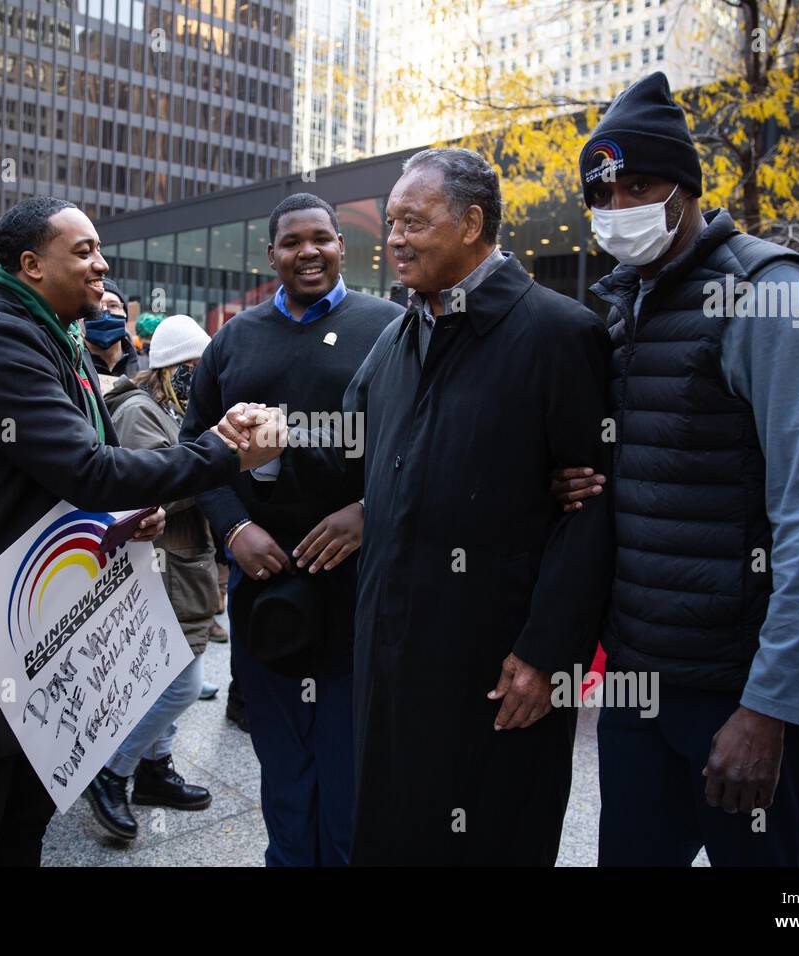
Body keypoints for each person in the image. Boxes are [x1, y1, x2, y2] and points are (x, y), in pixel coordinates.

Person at [0, 196, 281, 866]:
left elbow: (64, 475)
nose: (101, 264)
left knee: (21, 829)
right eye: (83, 251)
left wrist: (123, 520)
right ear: (30, 264)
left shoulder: (52, 337)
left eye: (99, 248)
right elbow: (84, 468)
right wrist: (221, 452)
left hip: (24, 636)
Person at [225, 153, 615, 865]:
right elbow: (363, 463)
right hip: (388, 656)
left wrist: (545, 655)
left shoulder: (558, 334)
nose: (395, 239)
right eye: (391, 223)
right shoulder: (401, 337)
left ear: (471, 224)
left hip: (497, 667)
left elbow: (590, 516)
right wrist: (272, 451)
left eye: (414, 222)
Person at [550, 73, 799, 866]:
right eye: (604, 193)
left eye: (640, 186)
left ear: (687, 189)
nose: (619, 208)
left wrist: (773, 706)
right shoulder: (624, 306)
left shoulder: (769, 295)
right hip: (637, 679)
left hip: (739, 691)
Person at [183, 192, 403, 866]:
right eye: (292, 242)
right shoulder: (234, 338)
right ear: (270, 253)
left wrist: (372, 510)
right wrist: (232, 528)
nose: (308, 252)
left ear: (342, 245)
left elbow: (419, 444)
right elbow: (196, 445)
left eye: (322, 238)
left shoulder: (391, 328)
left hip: (359, 586)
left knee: (348, 762)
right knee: (282, 763)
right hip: (264, 583)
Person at [87, 314, 220, 838]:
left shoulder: (174, 406)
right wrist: (218, 463)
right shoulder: (142, 410)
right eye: (195, 368)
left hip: (182, 565)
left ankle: (155, 769)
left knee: (165, 675)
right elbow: (150, 491)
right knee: (180, 683)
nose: (204, 377)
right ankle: (110, 771)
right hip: (157, 568)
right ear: (173, 369)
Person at [84, 278, 141, 378]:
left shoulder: (145, 371)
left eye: (113, 305)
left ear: (125, 315)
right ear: (80, 319)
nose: (105, 312)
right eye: (96, 306)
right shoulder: (70, 365)